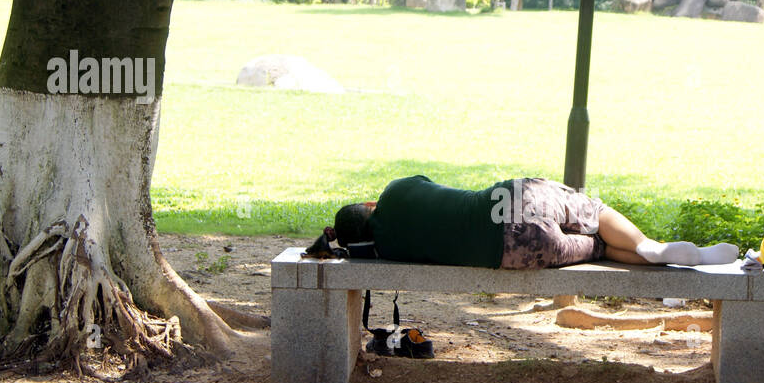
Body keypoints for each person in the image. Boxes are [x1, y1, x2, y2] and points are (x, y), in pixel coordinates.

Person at [308, 175, 739, 269]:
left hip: (520, 253)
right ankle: (654, 245)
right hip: (512, 201)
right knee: (591, 213)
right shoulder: (397, 191)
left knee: (599, 249)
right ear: (370, 204)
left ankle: (656, 256)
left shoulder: (387, 252)